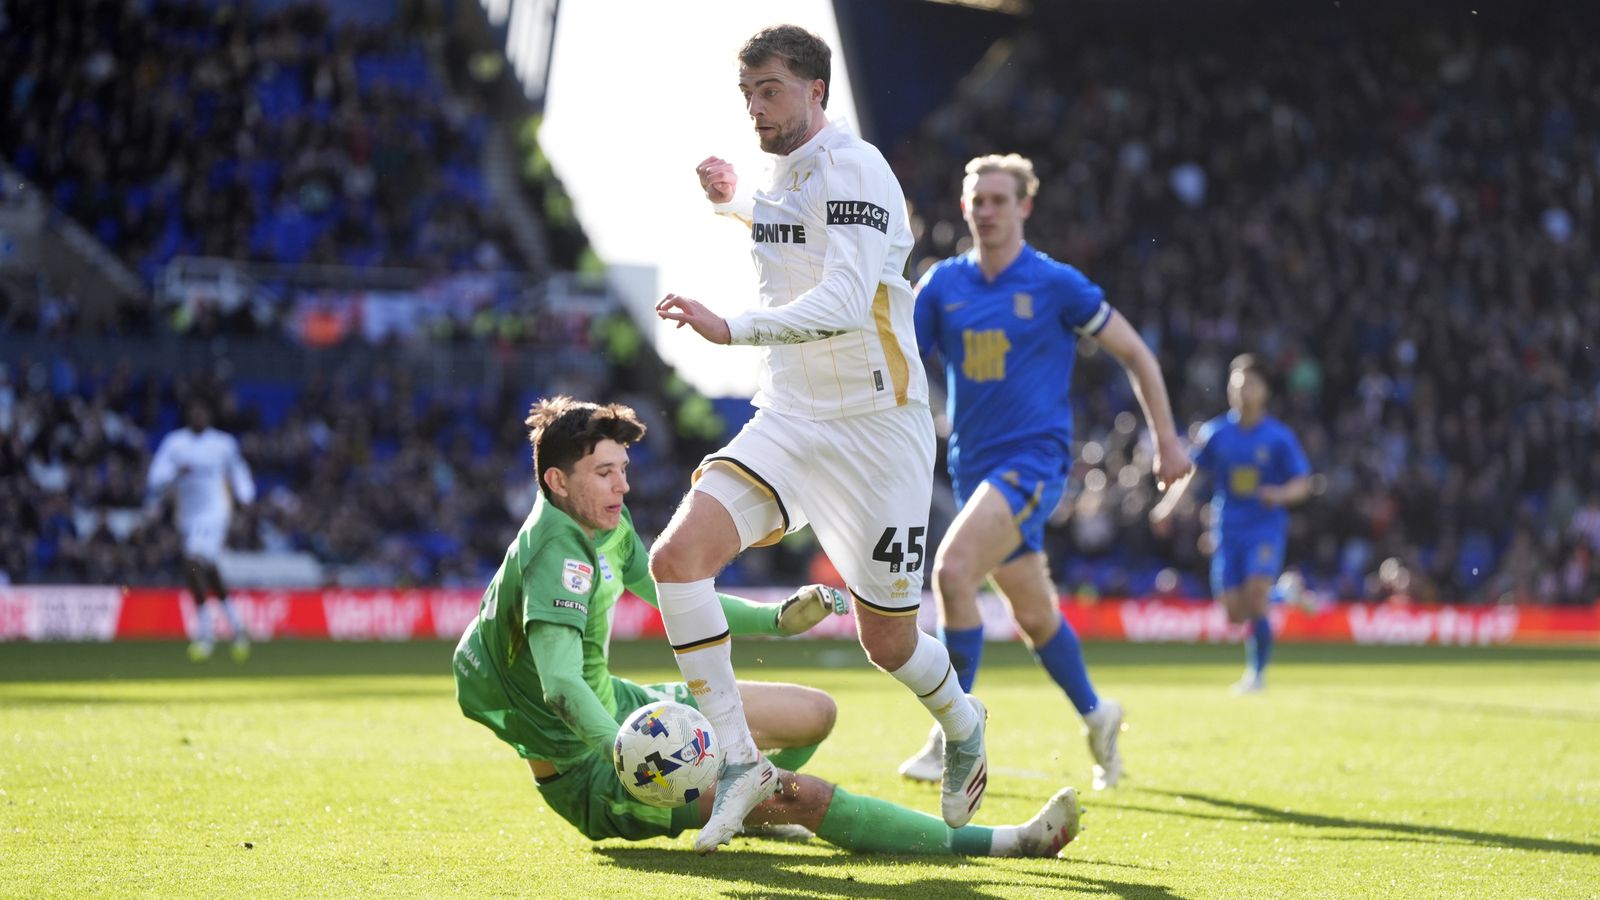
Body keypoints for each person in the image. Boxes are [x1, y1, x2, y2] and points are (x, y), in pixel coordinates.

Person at [453, 397, 1081, 859]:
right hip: (595, 772)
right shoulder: (553, 556)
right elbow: (562, 687)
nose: (623, 484)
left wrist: (776, 622)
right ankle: (1007, 842)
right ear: (557, 481)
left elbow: (676, 594)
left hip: (629, 709)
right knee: (804, 796)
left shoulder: (602, 527)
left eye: (623, 467)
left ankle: (757, 809)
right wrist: (636, 752)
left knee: (816, 713)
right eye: (604, 472)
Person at [650, 25, 991, 853]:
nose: (756, 109)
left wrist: (727, 327)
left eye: (770, 90)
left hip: (879, 430)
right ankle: (739, 764)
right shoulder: (788, 173)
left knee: (888, 639)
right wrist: (736, 203)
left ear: (815, 92)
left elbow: (842, 301)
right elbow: (792, 241)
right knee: (675, 559)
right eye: (747, 95)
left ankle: (965, 725)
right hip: (793, 418)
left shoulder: (856, 166)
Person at [903, 154, 1192, 791]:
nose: (986, 211)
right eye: (977, 200)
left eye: (999, 200)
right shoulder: (940, 287)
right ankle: (1098, 714)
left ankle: (952, 734)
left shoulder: (1057, 284)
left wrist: (1166, 441)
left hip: (1034, 466)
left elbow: (1137, 354)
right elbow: (896, 366)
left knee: (952, 571)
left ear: (1025, 207)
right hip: (974, 472)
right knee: (1035, 618)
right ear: (963, 207)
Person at [1150, 354, 1312, 692]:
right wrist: (1167, 507)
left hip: (1264, 527)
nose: (1240, 391)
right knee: (1235, 614)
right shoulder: (1216, 432)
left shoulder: (1277, 437)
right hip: (1227, 527)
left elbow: (1303, 483)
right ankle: (1284, 593)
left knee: (1255, 600)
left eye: (1249, 384)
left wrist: (1279, 495)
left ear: (1264, 391)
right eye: (1235, 385)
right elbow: (1190, 475)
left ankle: (1257, 674)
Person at [146, 399, 256, 662]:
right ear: (188, 415)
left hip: (215, 512)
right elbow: (155, 478)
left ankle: (205, 630)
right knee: (206, 569)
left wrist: (246, 497)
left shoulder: (222, 444)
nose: (198, 416)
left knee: (193, 561)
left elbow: (238, 471)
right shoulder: (175, 444)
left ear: (209, 415)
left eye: (202, 412)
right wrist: (174, 471)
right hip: (188, 517)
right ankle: (236, 625)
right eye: (194, 412)